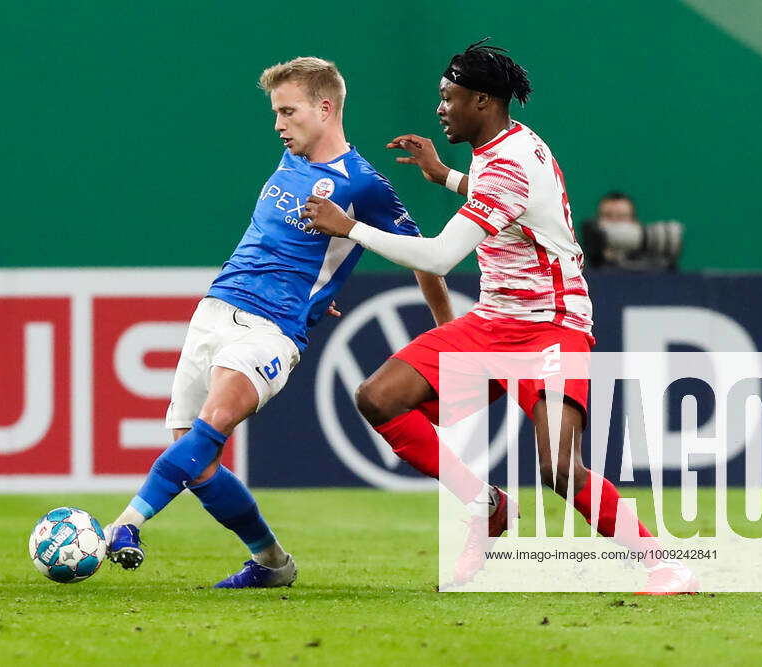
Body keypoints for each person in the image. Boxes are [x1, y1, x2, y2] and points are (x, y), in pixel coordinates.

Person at [301, 39, 698, 594]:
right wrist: (445, 176)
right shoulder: (508, 145)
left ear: (482, 101)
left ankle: (665, 565)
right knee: (378, 397)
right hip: (494, 321)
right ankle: (486, 504)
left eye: (449, 97)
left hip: (551, 326)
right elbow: (507, 201)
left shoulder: (509, 162)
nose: (440, 107)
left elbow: (440, 256)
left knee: (559, 470)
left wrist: (350, 228)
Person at [105, 57, 454, 588]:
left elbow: (424, 259)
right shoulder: (291, 158)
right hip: (214, 310)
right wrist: (320, 291)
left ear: (325, 108)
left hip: (269, 331)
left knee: (213, 422)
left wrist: (446, 332)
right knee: (194, 458)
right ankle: (271, 562)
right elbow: (291, 242)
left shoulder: (363, 184)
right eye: (275, 113)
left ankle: (126, 524)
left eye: (288, 112)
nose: (278, 124)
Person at [581, 191, 681, 270]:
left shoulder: (655, 267)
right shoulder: (580, 265)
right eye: (608, 216)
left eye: (622, 217)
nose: (615, 222)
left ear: (635, 223)